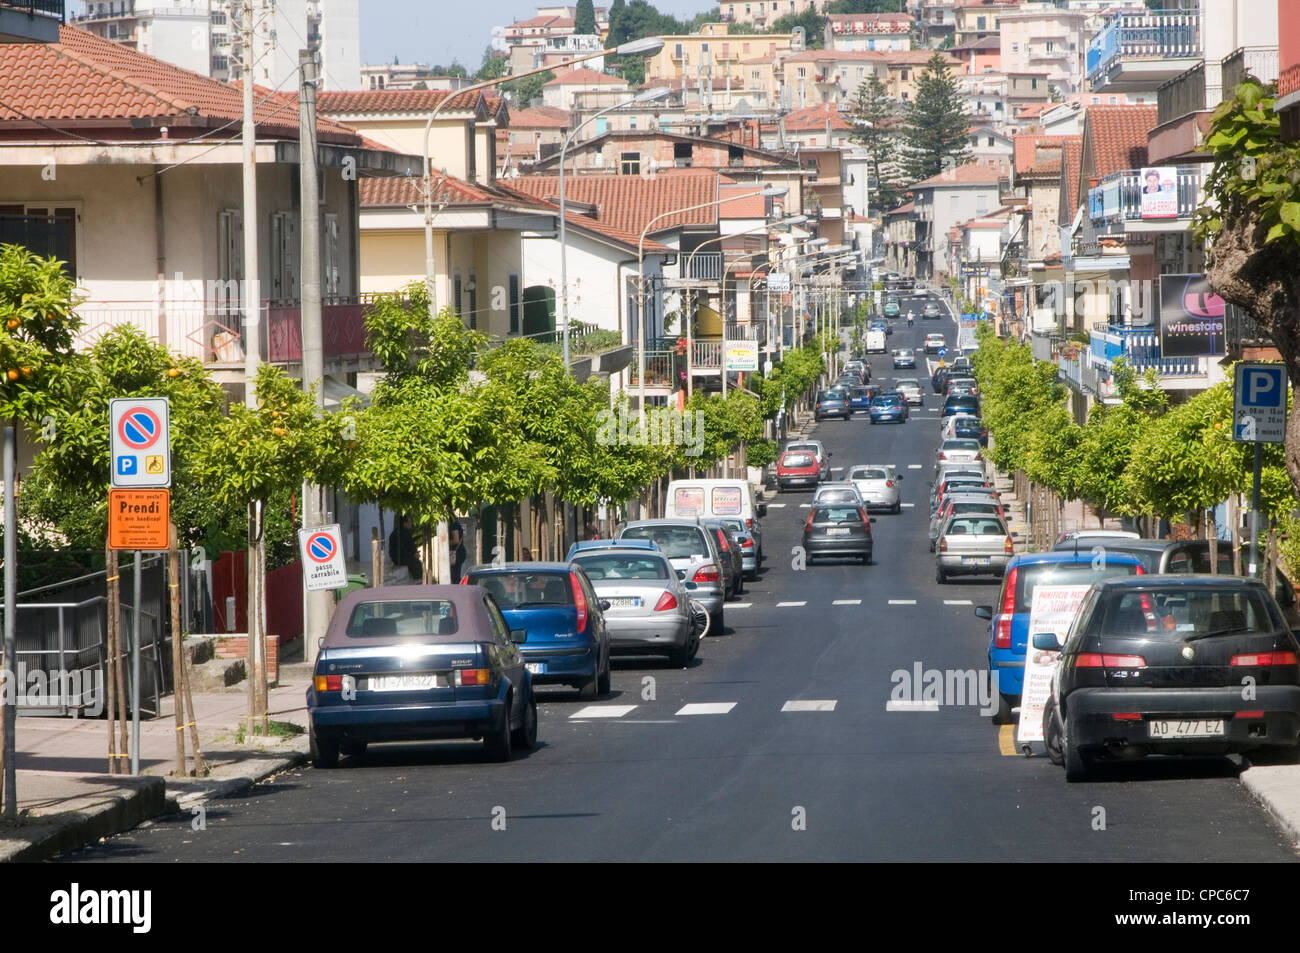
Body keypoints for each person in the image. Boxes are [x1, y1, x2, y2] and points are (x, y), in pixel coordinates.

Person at [388, 515, 422, 582]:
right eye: (409, 522)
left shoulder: (394, 532)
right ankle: (418, 580)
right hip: (402, 558)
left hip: (395, 559)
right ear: (405, 523)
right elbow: (411, 548)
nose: (411, 523)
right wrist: (415, 554)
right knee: (417, 563)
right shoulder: (406, 533)